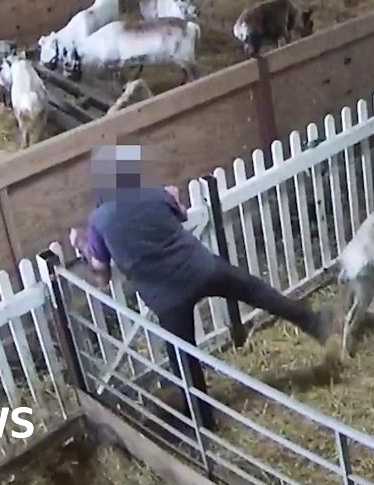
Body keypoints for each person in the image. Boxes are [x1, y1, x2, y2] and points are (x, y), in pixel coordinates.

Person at [71, 144, 340, 432]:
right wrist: (173, 198)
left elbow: (101, 275)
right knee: (257, 292)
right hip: (202, 269)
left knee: (184, 360)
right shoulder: (154, 194)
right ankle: (313, 322)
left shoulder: (99, 222)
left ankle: (203, 422)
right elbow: (182, 214)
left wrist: (81, 244)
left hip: (167, 297)